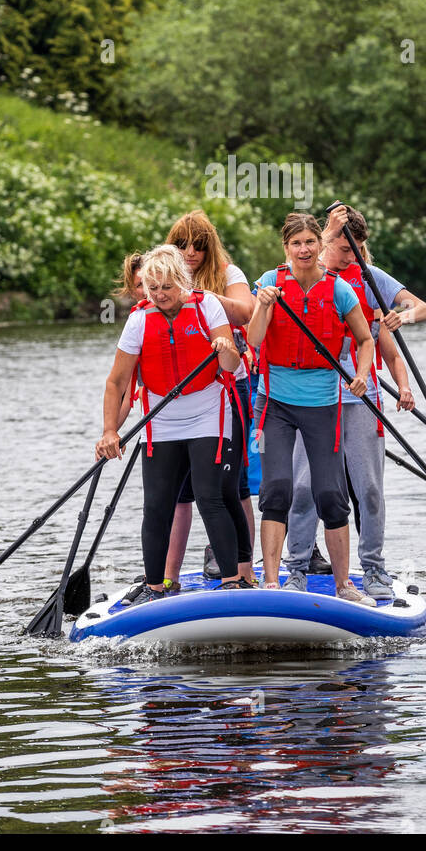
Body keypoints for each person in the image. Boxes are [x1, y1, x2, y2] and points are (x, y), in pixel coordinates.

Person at [285, 204, 426, 599]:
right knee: (304, 489)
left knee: (368, 489)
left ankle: (374, 570)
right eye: (341, 245)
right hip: (311, 398)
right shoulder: (306, 271)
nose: (348, 253)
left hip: (360, 398)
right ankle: (296, 568)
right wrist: (328, 231)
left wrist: (405, 318)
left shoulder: (368, 278)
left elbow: (424, 307)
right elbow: (300, 255)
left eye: (356, 247)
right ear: (325, 243)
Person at [96, 244, 253, 603]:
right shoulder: (138, 319)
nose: (160, 295)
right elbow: (116, 382)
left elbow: (230, 366)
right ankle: (155, 588)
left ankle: (231, 581)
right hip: (161, 421)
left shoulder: (206, 306)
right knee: (157, 505)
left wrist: (223, 345)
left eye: (167, 287)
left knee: (210, 497)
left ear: (181, 281)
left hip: (208, 413)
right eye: (153, 289)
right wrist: (109, 431)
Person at [247, 212, 377, 605]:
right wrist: (262, 306)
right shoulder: (269, 284)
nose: (303, 249)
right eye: (295, 244)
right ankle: (273, 581)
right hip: (274, 406)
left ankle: (344, 586)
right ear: (285, 248)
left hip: (324, 404)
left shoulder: (340, 291)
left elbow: (365, 339)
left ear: (320, 245)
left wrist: (363, 375)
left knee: (330, 494)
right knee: (276, 490)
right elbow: (253, 339)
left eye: (309, 242)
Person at [162, 212, 257, 588]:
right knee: (178, 492)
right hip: (177, 396)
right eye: (182, 244)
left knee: (233, 485)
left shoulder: (229, 275)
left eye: (198, 245)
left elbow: (246, 311)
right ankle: (167, 579)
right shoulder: (161, 278)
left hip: (230, 388)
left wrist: (193, 293)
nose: (190, 252)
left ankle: (244, 569)